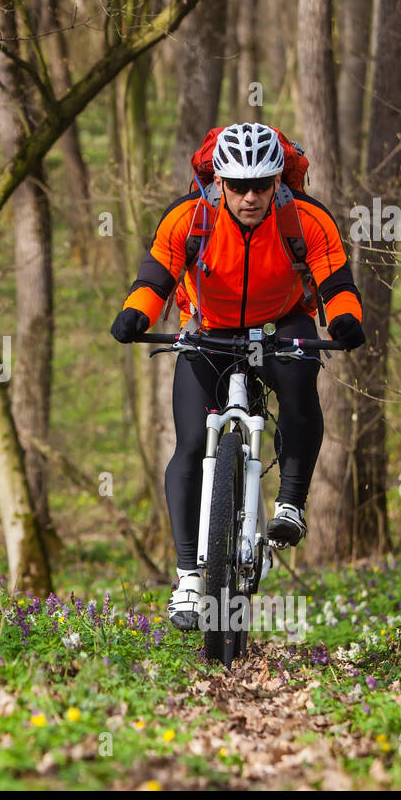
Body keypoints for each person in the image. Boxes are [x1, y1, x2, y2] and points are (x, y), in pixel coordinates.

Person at [109, 122, 366, 629]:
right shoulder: (190, 218)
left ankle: (290, 503)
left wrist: (343, 318)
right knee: (188, 445)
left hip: (282, 322)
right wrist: (137, 312)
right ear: (219, 182)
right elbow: (157, 271)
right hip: (208, 327)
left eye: (262, 185)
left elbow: (335, 277)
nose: (250, 196)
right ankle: (187, 580)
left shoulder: (305, 219)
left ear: (277, 183)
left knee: (299, 390)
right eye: (239, 186)